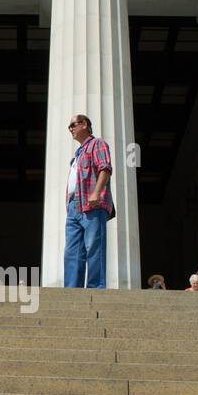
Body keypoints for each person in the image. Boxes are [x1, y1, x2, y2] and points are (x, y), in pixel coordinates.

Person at [63, 115, 114, 290]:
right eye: (69, 126)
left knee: (94, 247)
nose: (70, 129)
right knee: (72, 251)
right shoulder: (76, 155)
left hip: (91, 203)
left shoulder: (97, 144)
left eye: (73, 125)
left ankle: (95, 288)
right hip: (73, 206)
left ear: (84, 124)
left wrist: (96, 193)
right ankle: (71, 289)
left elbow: (105, 168)